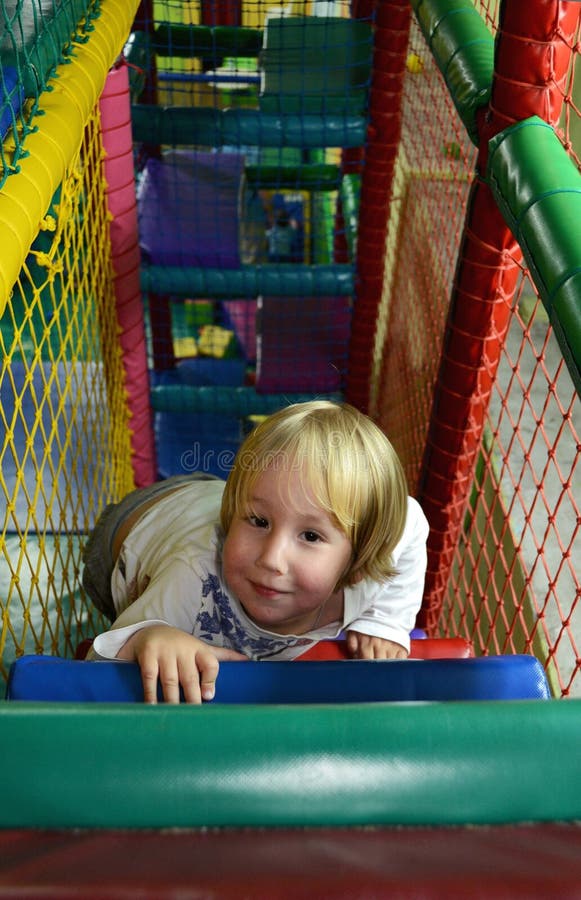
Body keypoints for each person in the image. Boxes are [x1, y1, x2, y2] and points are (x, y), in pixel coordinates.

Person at [84, 400, 429, 704]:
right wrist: (151, 636)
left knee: (277, 500)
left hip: (205, 504)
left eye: (310, 535)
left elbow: (411, 520)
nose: (271, 559)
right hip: (128, 536)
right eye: (259, 521)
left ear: (362, 554)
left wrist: (385, 621)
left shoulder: (367, 564)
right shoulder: (194, 578)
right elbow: (96, 665)